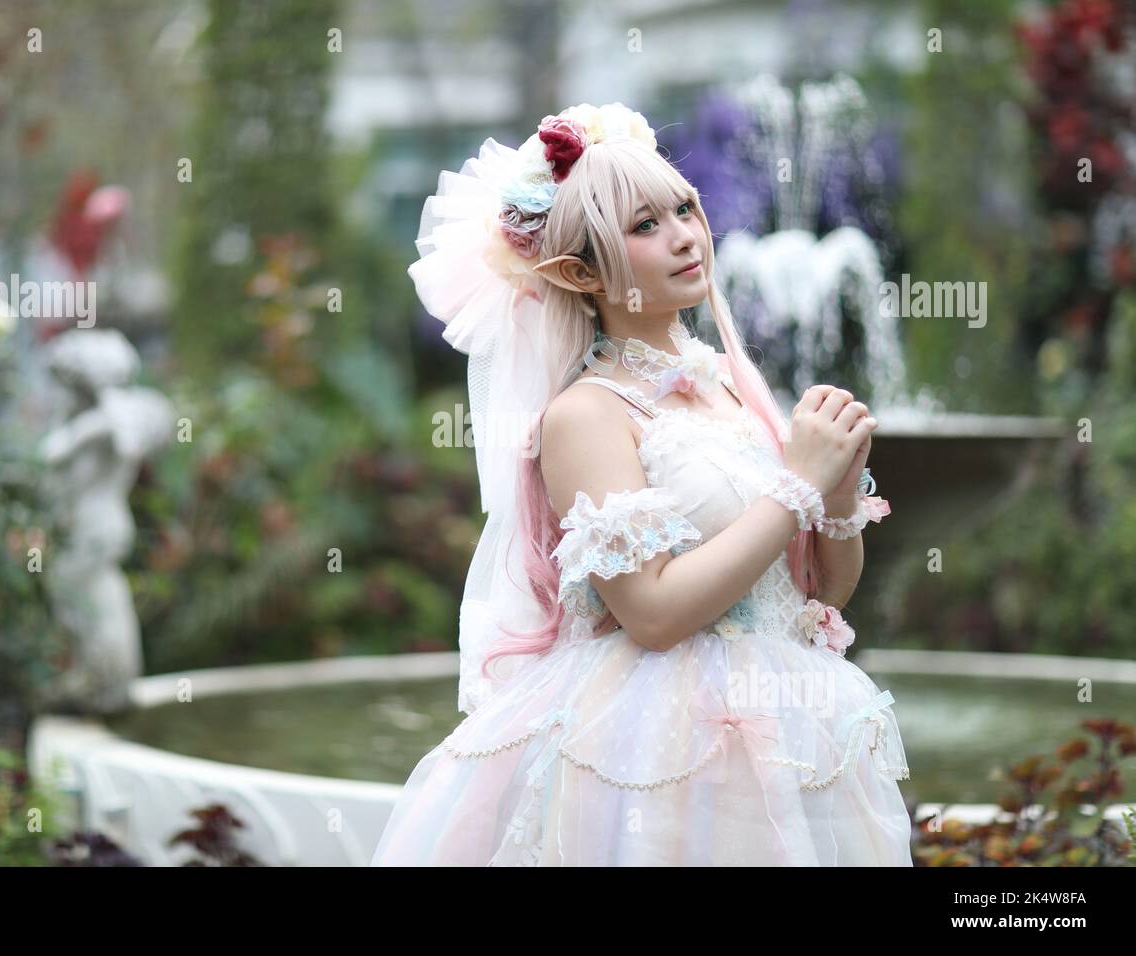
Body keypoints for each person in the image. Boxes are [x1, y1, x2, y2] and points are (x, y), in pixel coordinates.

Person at [370, 103, 910, 866]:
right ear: (582, 273)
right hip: (650, 744)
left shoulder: (731, 385)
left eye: (685, 208)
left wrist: (839, 491)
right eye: (645, 226)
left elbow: (824, 594)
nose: (685, 236)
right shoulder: (586, 415)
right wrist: (794, 488)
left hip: (789, 720)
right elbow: (651, 613)